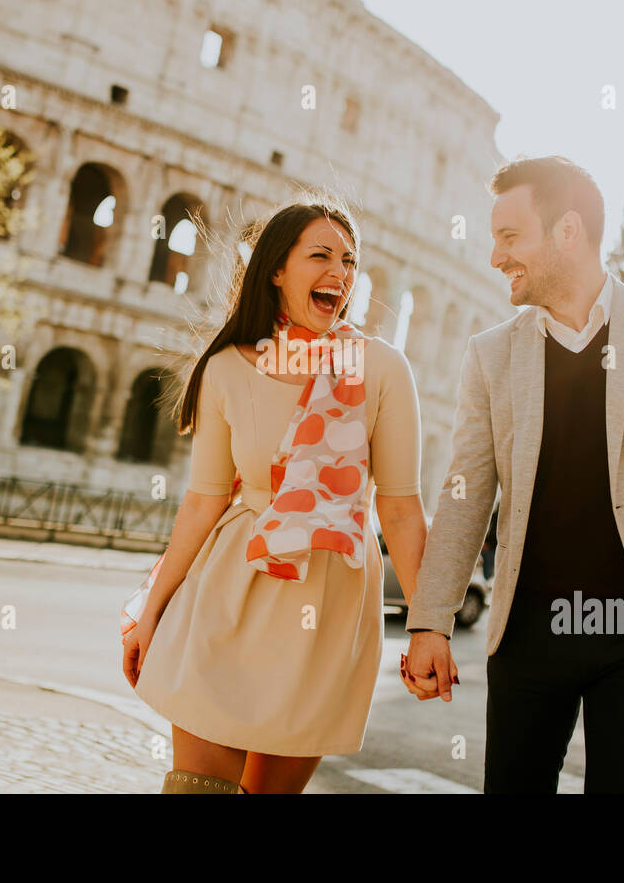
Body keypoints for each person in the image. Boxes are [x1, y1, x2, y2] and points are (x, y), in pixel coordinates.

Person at [403, 156, 624, 793]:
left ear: (568, 231)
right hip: (528, 634)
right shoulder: (490, 355)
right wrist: (430, 620)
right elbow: (464, 496)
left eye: (510, 237)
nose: (495, 257)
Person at [122, 199, 426, 793]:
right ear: (276, 270)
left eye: (349, 259)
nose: (340, 271)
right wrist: (151, 609)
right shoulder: (227, 369)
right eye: (321, 255)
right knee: (196, 789)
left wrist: (428, 626)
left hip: (329, 601)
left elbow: (399, 507)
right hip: (229, 588)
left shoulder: (383, 369)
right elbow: (203, 501)